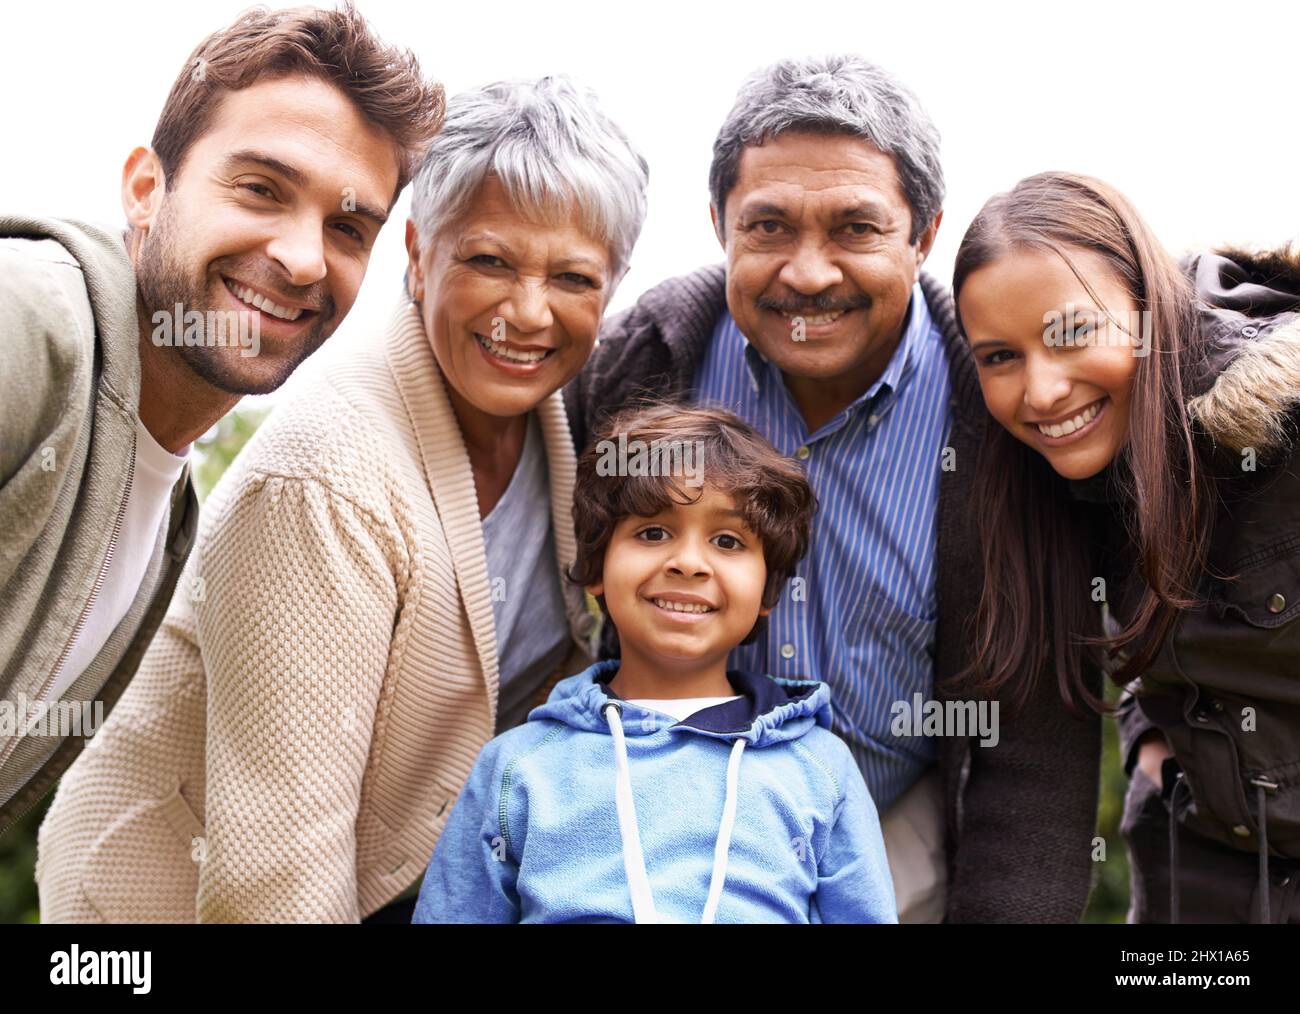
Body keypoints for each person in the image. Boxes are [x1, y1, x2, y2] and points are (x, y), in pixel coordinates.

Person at [34, 75, 649, 923]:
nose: (529, 312)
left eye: (574, 277)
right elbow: (273, 880)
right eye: (489, 260)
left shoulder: (563, 431)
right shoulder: (330, 474)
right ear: (421, 258)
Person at [565, 54, 1100, 922]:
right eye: (768, 227)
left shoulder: (1006, 413)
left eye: (856, 228)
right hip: (657, 821)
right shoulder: (642, 363)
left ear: (923, 234)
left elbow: (1031, 741)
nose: (808, 275)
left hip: (902, 833)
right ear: (719, 225)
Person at [0, 3, 442, 839]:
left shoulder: (171, 510)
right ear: (145, 188)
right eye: (261, 189)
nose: (305, 257)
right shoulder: (33, 324)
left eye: (347, 227)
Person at [953, 170, 1300, 923]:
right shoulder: (1056, 475)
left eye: (1072, 332)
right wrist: (1150, 737)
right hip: (1199, 874)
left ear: (1147, 308)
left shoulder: (1283, 422)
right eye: (999, 357)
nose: (1041, 392)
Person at [413, 403, 897, 923]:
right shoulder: (517, 767)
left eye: (728, 541)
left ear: (768, 590)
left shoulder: (820, 766)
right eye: (653, 533)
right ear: (596, 567)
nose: (687, 562)